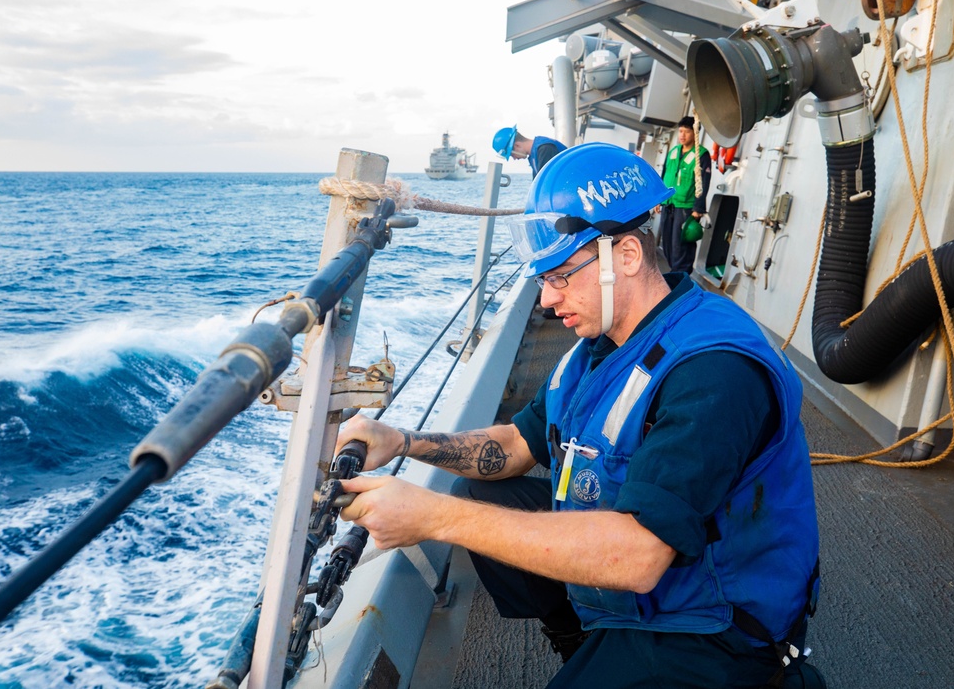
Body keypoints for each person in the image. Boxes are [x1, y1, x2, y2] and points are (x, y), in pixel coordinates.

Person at [336, 143, 822, 688]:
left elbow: (638, 557)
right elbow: (517, 446)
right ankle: (586, 645)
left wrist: (433, 517)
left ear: (629, 257)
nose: (546, 299)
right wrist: (400, 440)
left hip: (712, 623)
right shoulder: (598, 345)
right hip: (650, 586)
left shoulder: (714, 370)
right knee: (488, 497)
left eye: (561, 275)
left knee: (467, 516)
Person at [660, 115, 712, 274]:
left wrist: (698, 208)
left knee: (681, 246)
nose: (682, 135)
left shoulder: (701, 155)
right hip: (669, 204)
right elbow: (664, 174)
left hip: (686, 207)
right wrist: (658, 199)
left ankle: (681, 278)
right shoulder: (673, 152)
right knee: (667, 243)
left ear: (694, 133)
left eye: (686, 132)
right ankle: (674, 273)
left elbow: (703, 181)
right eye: (680, 131)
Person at [493, 125, 567, 178]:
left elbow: (547, 182)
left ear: (517, 145)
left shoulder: (545, 149)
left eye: (512, 155)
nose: (515, 158)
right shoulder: (535, 154)